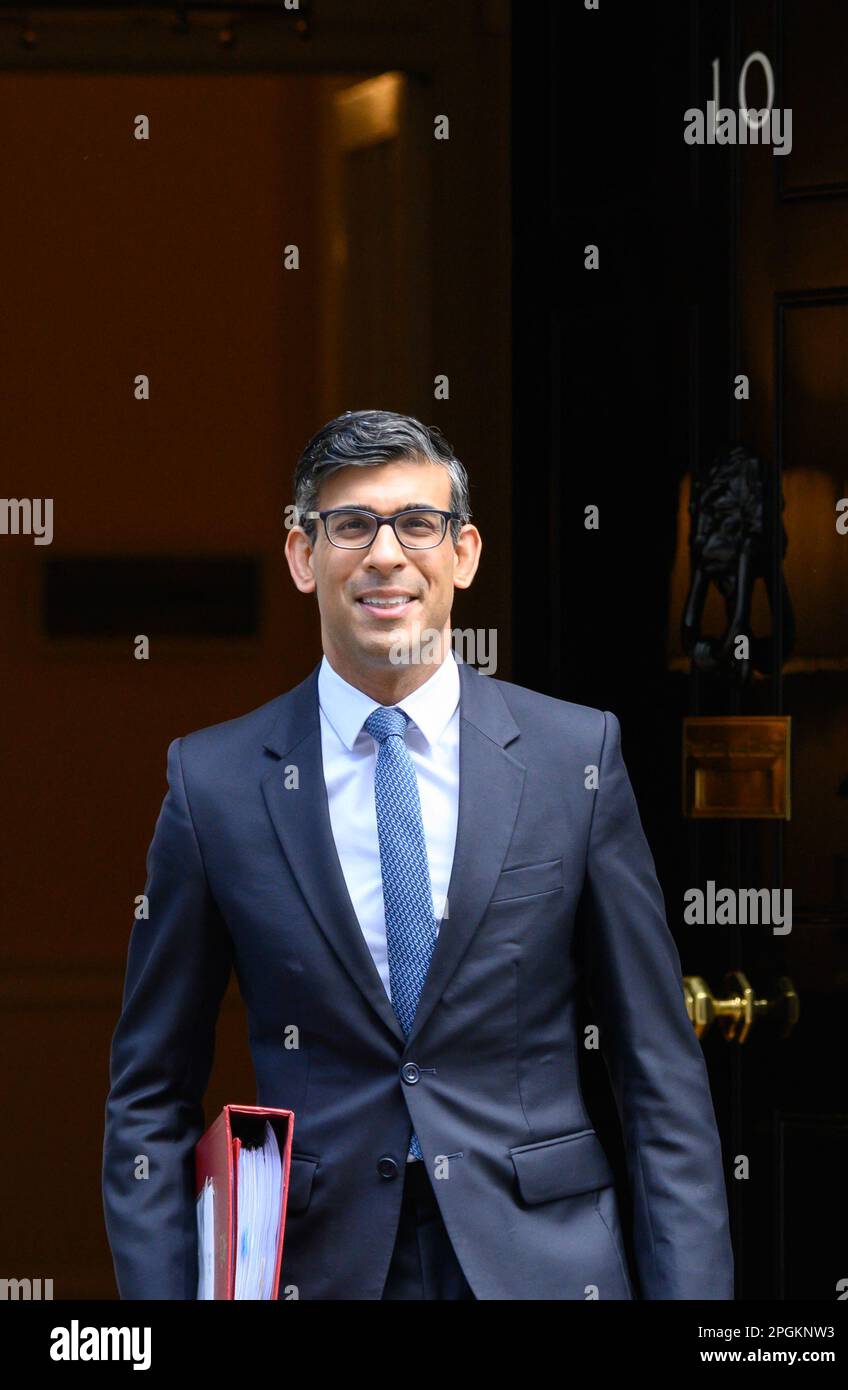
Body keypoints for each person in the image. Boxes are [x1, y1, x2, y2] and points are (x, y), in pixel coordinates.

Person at [102, 408, 734, 1300]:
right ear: (301, 556)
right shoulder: (213, 783)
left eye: (417, 524)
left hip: (542, 1264)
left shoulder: (572, 758)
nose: (385, 555)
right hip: (316, 1266)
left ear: (463, 553)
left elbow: (659, 1076)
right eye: (350, 525)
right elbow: (150, 1092)